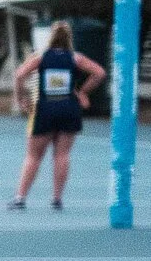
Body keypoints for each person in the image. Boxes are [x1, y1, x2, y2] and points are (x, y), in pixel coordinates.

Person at [10, 21, 103, 211]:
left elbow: (19, 75)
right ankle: (57, 198)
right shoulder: (76, 58)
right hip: (68, 107)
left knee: (34, 156)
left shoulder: (41, 57)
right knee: (62, 155)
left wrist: (22, 98)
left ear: (50, 37)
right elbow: (99, 73)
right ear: (70, 38)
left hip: (46, 108)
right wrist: (82, 91)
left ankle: (20, 198)